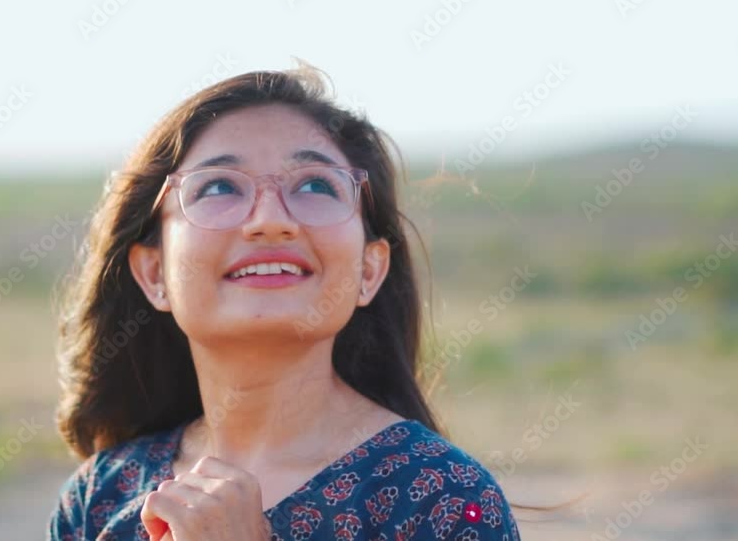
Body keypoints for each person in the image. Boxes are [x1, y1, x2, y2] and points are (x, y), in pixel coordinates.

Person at [48, 63, 522, 540]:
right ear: (155, 274)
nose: (270, 220)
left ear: (369, 269)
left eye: (316, 185)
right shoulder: (99, 499)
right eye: (219, 186)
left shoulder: (442, 498)